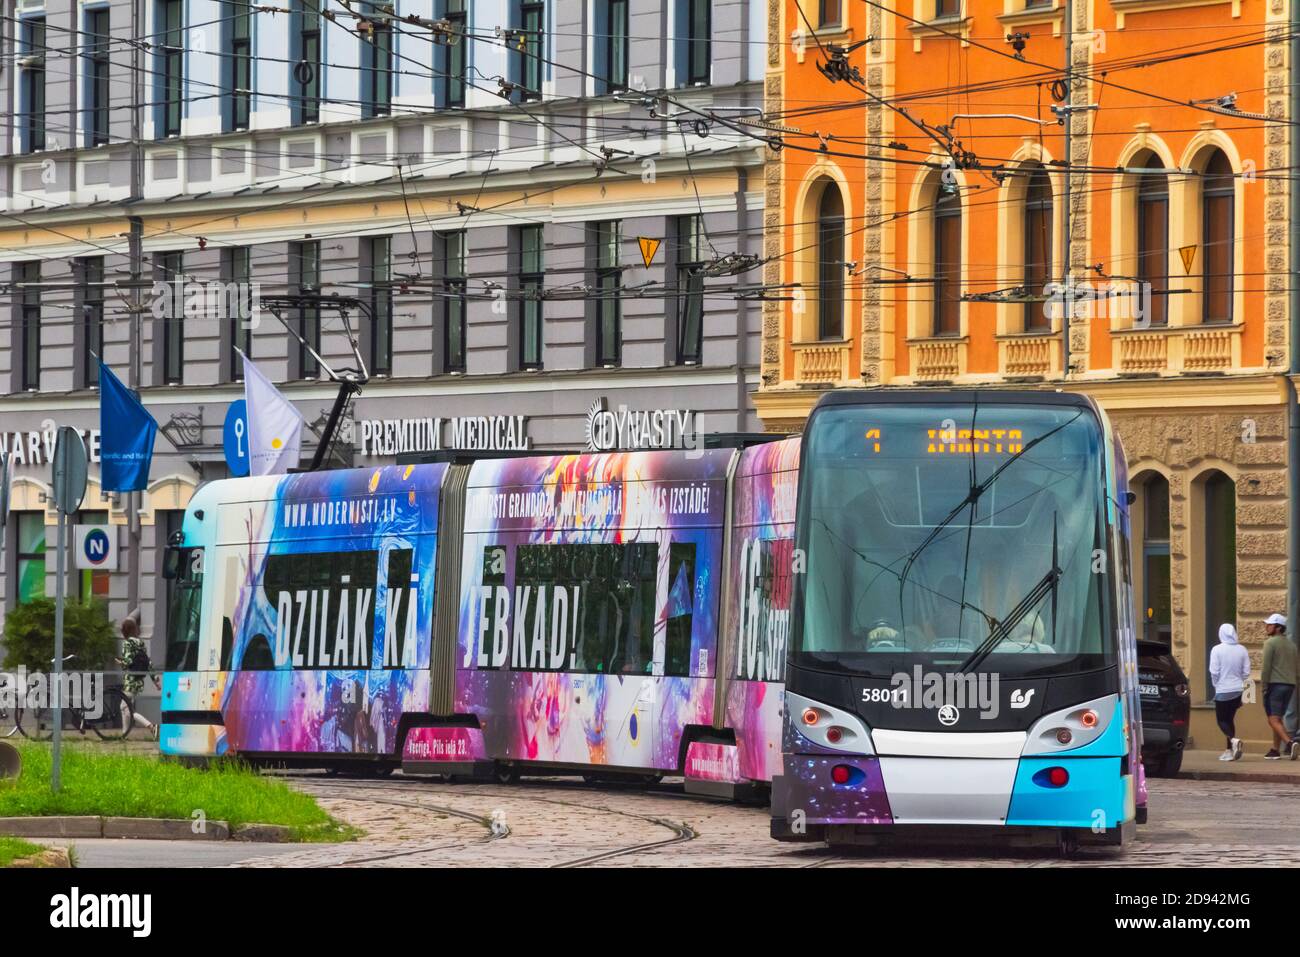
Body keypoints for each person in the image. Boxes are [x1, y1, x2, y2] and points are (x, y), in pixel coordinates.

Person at [1259, 613, 1300, 760]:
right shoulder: (1292, 645)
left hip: (1275, 685)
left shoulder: (1270, 643)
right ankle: (1275, 749)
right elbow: (1296, 668)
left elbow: (1266, 668)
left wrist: (1264, 686)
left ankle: (1289, 743)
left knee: (1272, 719)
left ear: (1278, 628)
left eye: (1270, 625)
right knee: (1278, 719)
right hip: (1290, 685)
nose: (1267, 627)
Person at [1209, 623, 1251, 761]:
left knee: (1221, 720)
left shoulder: (1217, 649)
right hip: (1238, 690)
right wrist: (1246, 692)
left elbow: (1214, 671)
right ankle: (1229, 750)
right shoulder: (1242, 649)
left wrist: (1216, 685)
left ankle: (1233, 740)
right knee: (1229, 720)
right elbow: (1246, 673)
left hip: (1223, 689)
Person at [115, 612, 159, 739]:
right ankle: (124, 735)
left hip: (130, 680)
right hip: (139, 680)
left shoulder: (127, 643)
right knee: (124, 707)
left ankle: (151, 726)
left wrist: (120, 662)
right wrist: (155, 680)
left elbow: (127, 662)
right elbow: (148, 662)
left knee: (126, 708)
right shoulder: (140, 643)